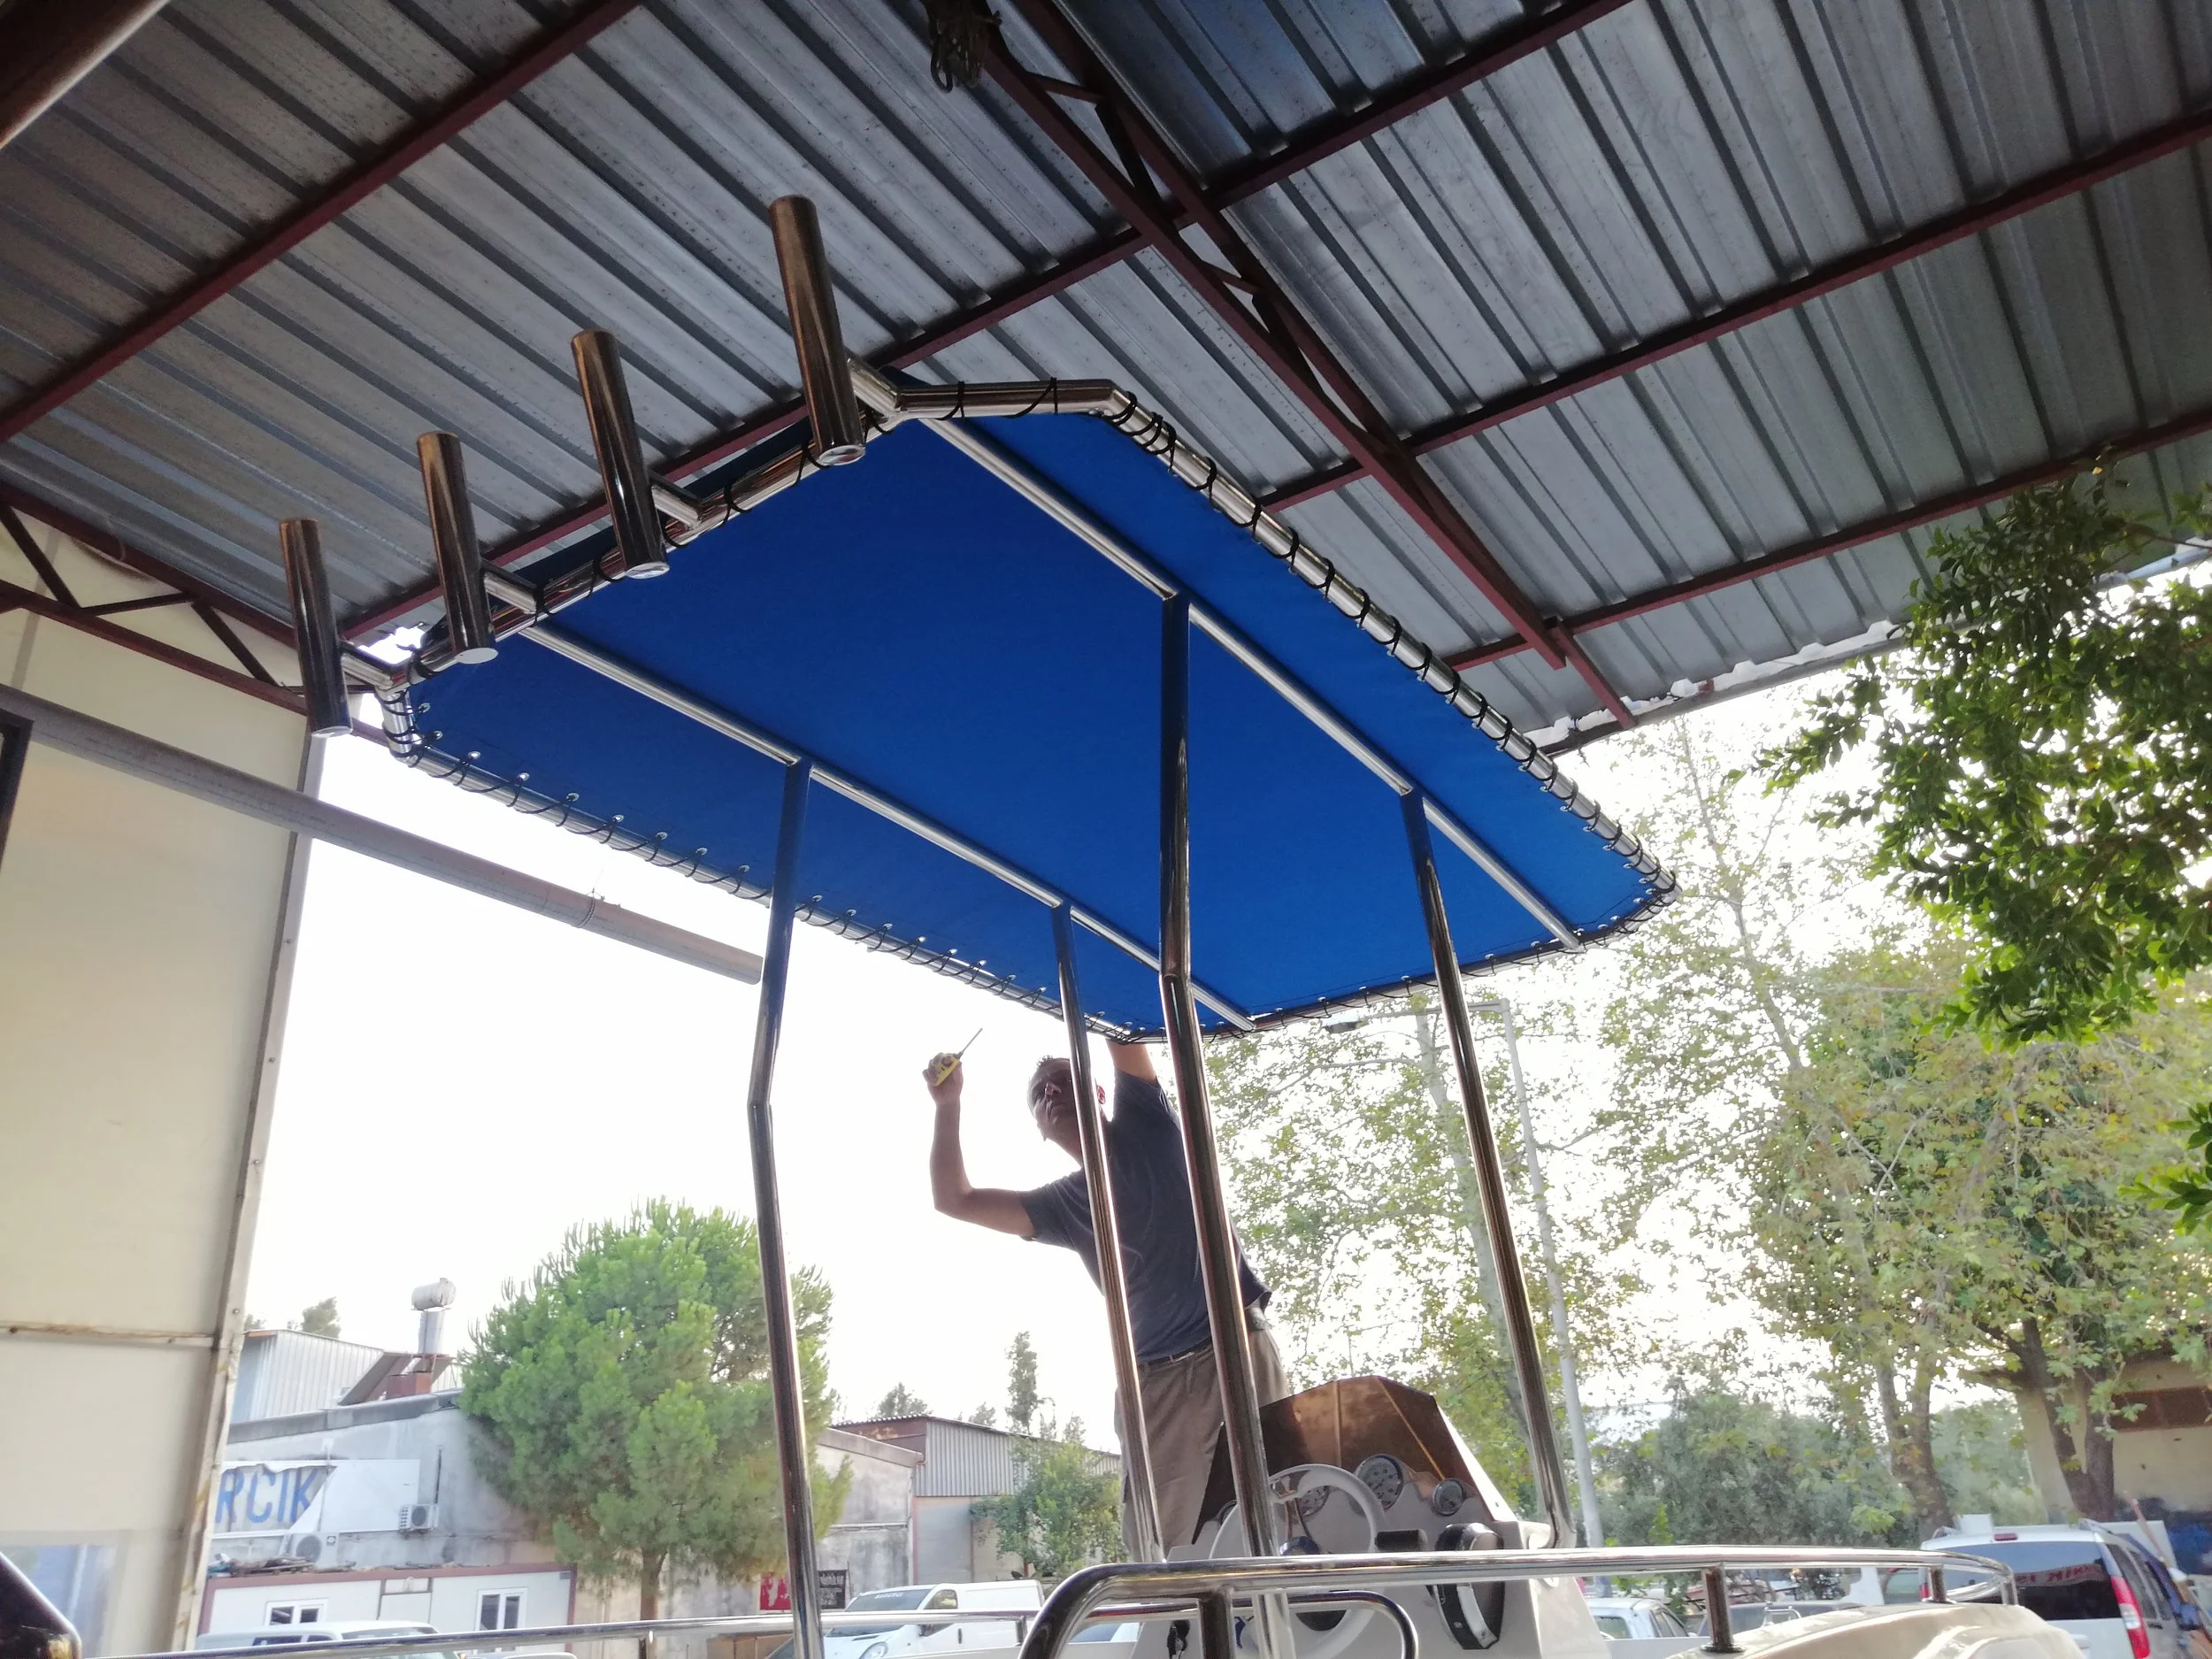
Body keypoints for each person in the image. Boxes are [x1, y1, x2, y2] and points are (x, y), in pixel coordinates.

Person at [922, 1039, 1287, 1556]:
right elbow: (954, 1200)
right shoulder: (1060, 1204)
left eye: (1064, 1079)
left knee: (1276, 1506)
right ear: (1041, 1130)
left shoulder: (1146, 1125)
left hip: (1235, 1346)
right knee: (1163, 1542)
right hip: (1154, 1384)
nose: (1051, 1092)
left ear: (1097, 1092)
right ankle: (1192, 1634)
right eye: (1038, 1094)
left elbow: (1124, 1035)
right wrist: (948, 1104)